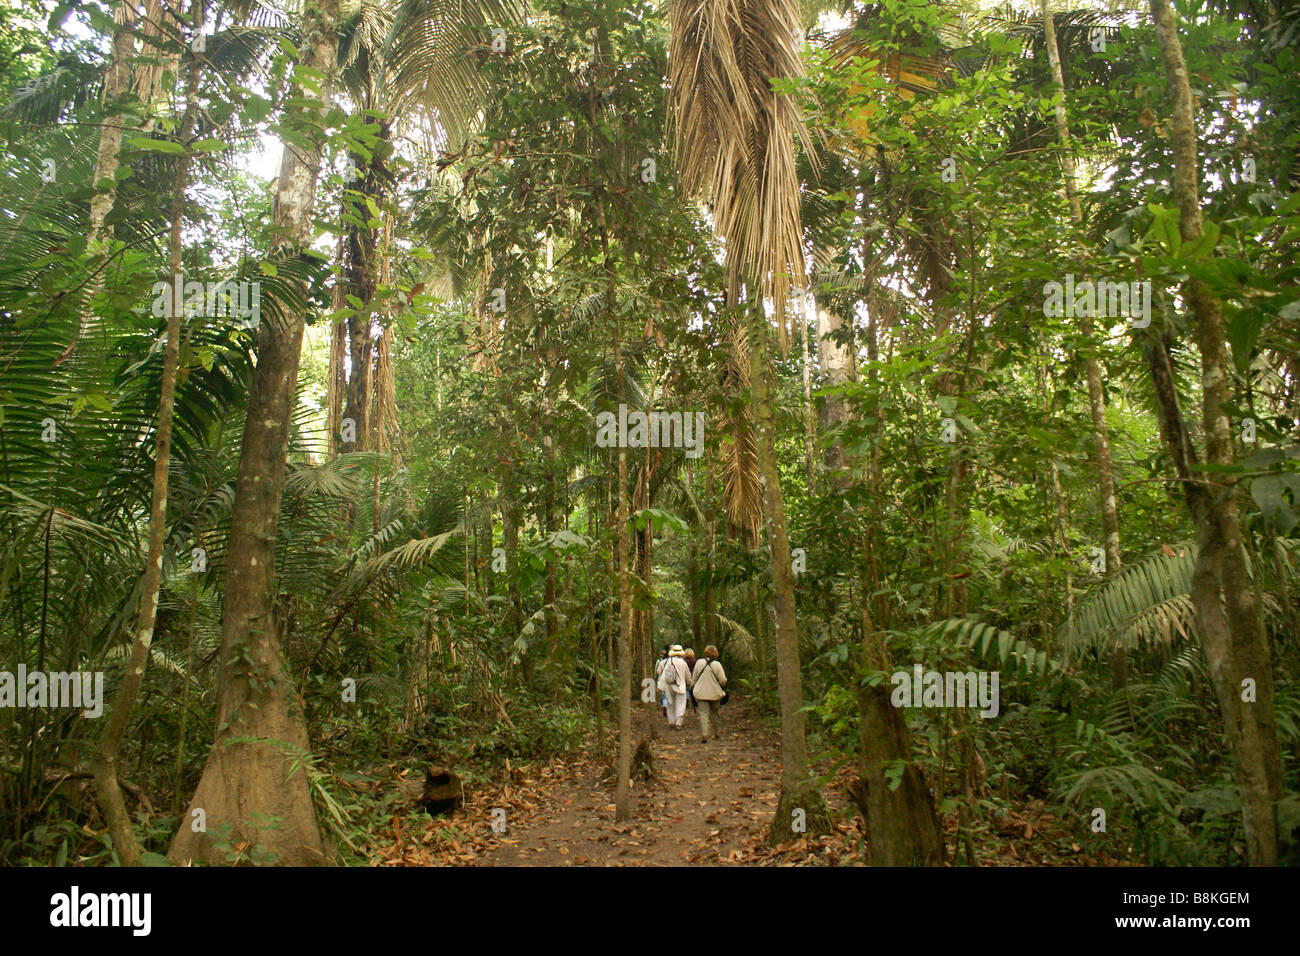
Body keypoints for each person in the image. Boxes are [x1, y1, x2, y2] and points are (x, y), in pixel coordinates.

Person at [688, 645, 727, 743]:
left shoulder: (699, 662)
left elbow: (694, 678)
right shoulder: (717, 664)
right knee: (715, 713)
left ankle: (704, 734)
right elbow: (723, 680)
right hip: (715, 693)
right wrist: (721, 685)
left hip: (701, 693)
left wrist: (692, 686)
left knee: (703, 713)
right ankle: (716, 733)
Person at [657, 645, 690, 729]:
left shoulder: (666, 662)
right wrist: (689, 683)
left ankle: (671, 721)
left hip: (669, 685)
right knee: (680, 703)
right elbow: (687, 675)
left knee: (670, 703)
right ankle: (678, 722)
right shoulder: (683, 663)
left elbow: (660, 673)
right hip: (680, 686)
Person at [654, 645, 671, 718]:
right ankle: (669, 708)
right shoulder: (672, 661)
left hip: (661, 679)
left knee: (664, 695)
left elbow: (657, 671)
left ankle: (664, 705)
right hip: (670, 679)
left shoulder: (660, 661)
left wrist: (656, 678)